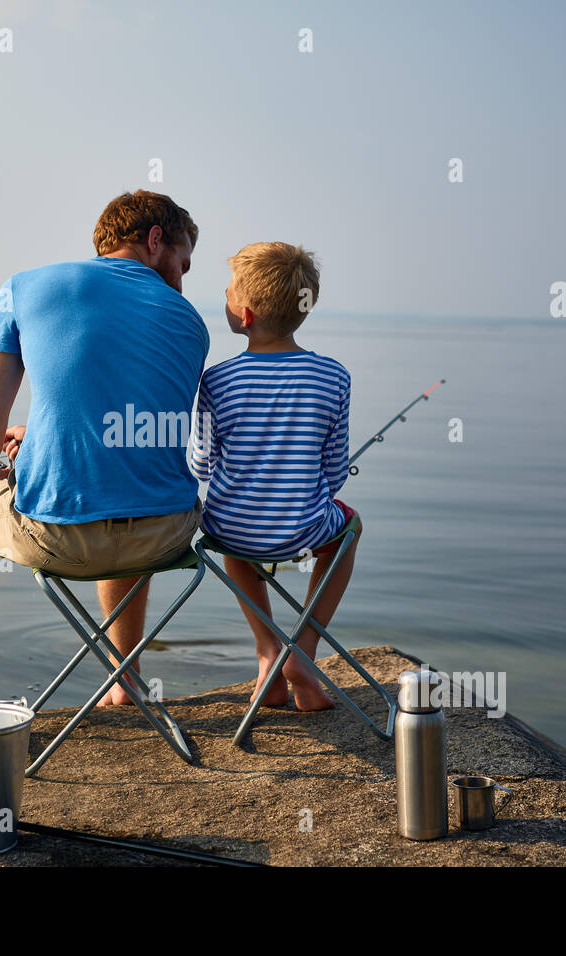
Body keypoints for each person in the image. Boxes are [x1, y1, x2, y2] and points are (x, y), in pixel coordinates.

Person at [0, 190, 209, 704]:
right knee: (131, 484)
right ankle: (125, 678)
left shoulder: (23, 287)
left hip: (59, 540)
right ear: (155, 241)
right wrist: (42, 440)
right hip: (166, 537)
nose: (180, 282)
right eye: (183, 264)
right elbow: (130, 431)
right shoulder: (192, 322)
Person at [187, 242, 356, 712]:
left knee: (231, 532)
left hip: (231, 532)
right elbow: (335, 473)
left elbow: (201, 466)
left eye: (227, 292)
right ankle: (302, 651)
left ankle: (267, 649)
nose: (223, 297)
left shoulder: (216, 380)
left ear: (244, 315)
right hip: (304, 531)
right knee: (350, 530)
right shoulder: (333, 376)